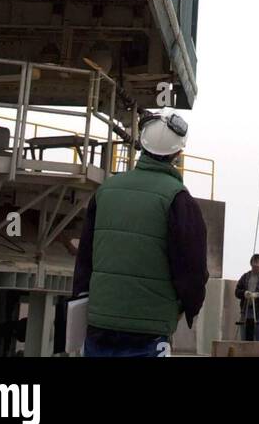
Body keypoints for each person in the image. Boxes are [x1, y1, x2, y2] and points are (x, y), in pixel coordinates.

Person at [72, 109, 208, 357]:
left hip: (99, 326)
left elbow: (84, 260)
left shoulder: (106, 190)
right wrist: (187, 308)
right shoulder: (179, 200)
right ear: (178, 153)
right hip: (150, 330)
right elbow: (192, 271)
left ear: (142, 147)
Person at [235, 254, 259, 341]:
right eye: (254, 263)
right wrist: (244, 293)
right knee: (245, 337)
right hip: (246, 311)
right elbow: (237, 291)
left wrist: (258, 294)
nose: (256, 267)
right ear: (251, 264)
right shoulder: (245, 277)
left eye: (258, 264)